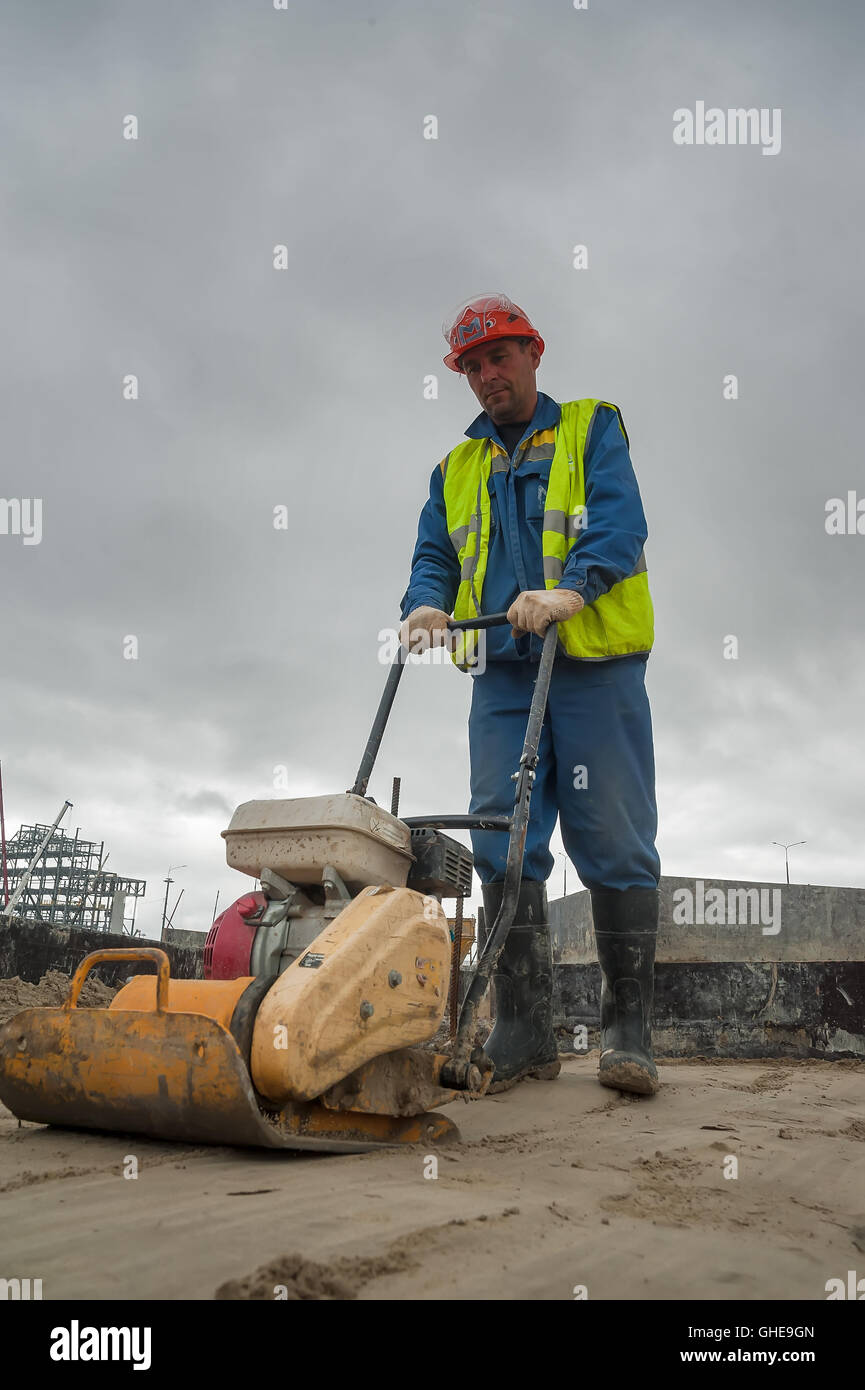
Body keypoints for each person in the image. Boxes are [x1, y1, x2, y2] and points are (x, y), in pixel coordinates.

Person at [399, 293, 661, 1097]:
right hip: (502, 675)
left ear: (532, 352)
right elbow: (435, 554)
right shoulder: (456, 466)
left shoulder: (590, 427)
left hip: (589, 658)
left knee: (612, 835)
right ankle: (523, 1029)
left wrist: (572, 589)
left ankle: (627, 1031)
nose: (485, 376)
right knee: (500, 838)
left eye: (498, 357)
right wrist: (421, 602)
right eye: (471, 366)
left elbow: (618, 523)